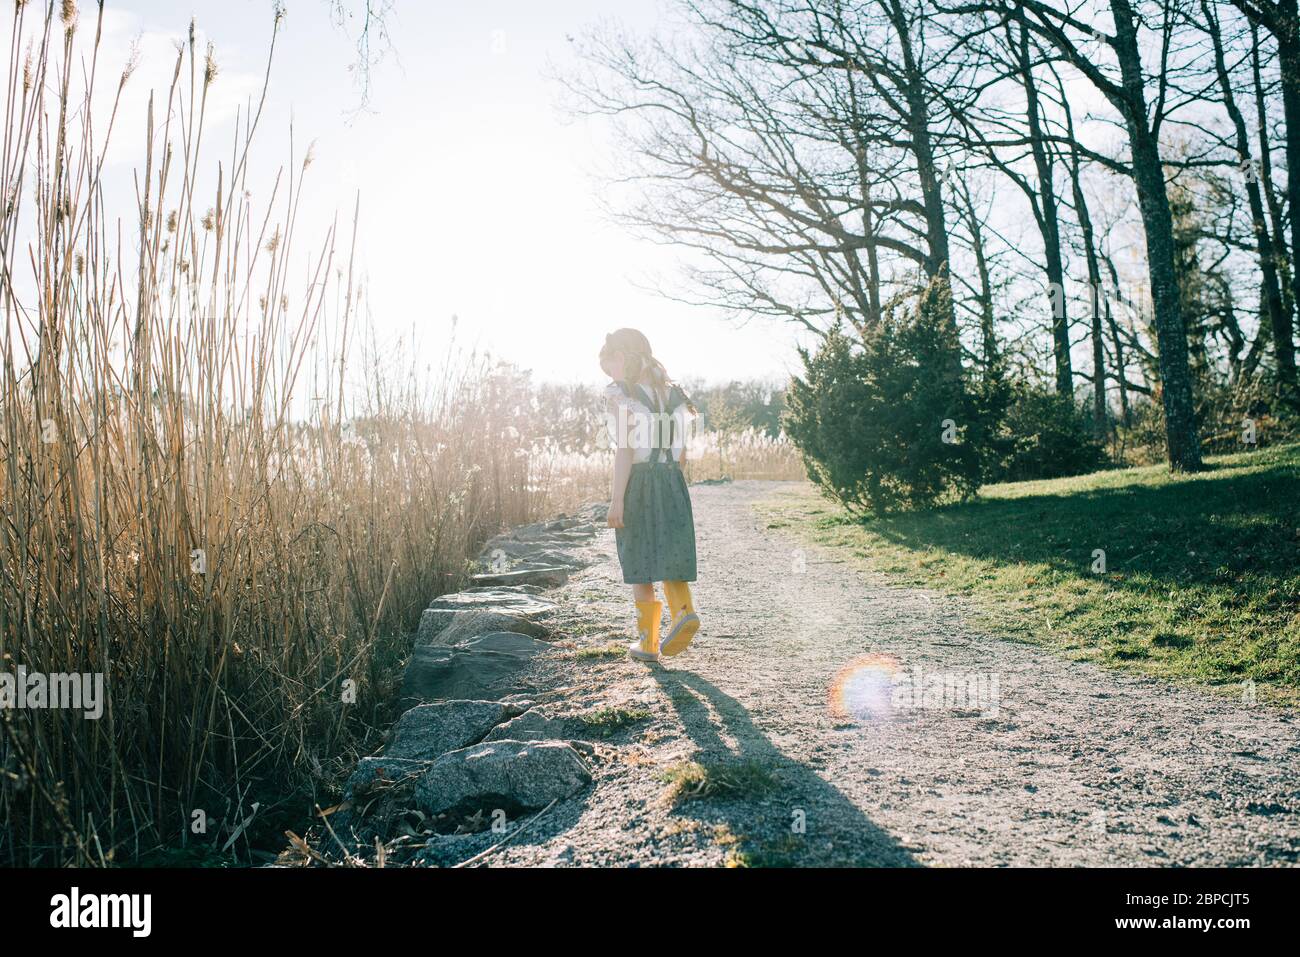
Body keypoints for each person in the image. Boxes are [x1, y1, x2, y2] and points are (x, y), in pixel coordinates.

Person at [599, 328, 701, 662]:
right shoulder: (675, 396)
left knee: (639, 561)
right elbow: (683, 451)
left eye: (611, 363)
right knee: (671, 552)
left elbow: (625, 451)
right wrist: (670, 480)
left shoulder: (623, 395)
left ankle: (648, 643)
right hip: (673, 480)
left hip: (640, 482)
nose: (610, 372)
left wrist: (617, 499)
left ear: (625, 358)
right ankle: (684, 612)